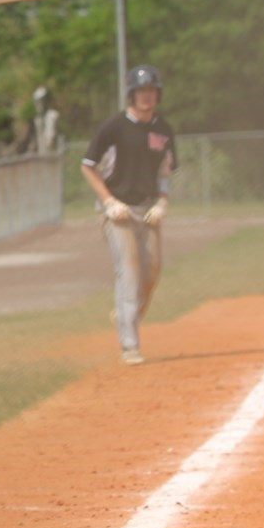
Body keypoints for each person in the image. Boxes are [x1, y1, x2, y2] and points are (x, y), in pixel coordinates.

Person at [79, 64, 176, 365]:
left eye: (151, 91)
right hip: (118, 210)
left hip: (148, 208)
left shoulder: (163, 130)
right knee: (129, 271)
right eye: (140, 91)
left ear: (158, 95)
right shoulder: (114, 127)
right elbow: (88, 166)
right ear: (131, 95)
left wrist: (162, 203)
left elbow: (164, 172)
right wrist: (109, 202)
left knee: (152, 271)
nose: (146, 96)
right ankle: (129, 345)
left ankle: (124, 315)